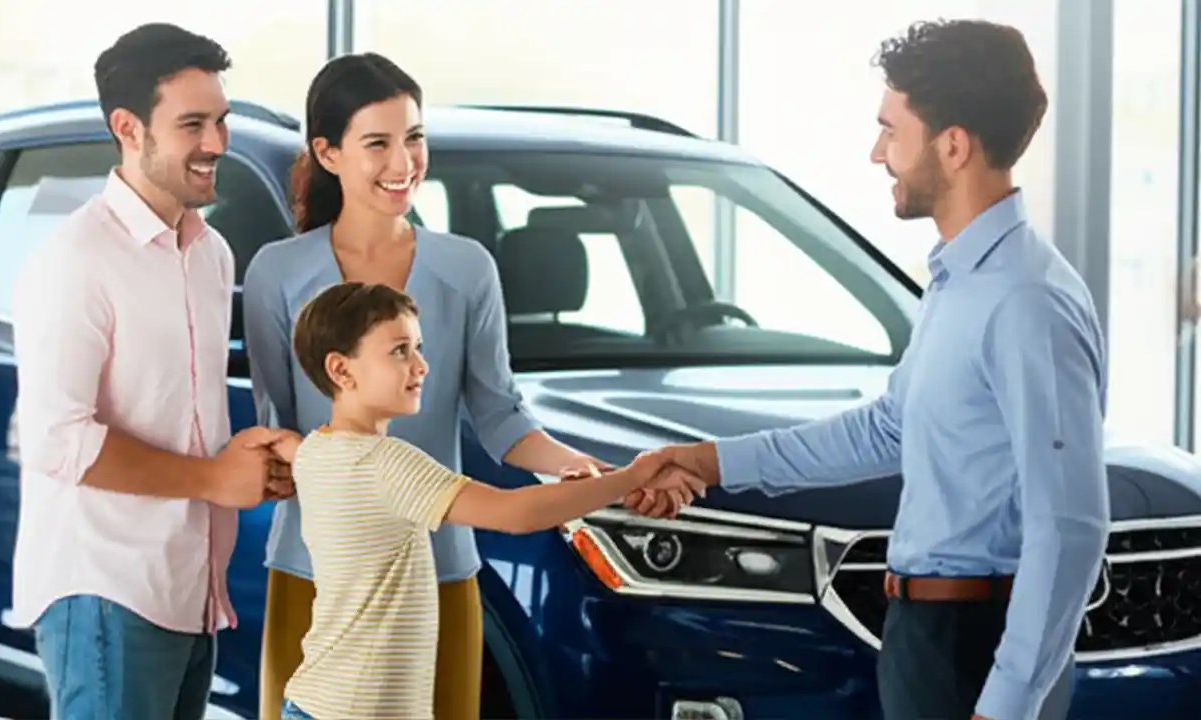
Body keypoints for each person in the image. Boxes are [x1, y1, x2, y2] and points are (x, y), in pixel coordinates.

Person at [637, 19, 1109, 720]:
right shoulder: (961, 283)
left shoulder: (1024, 301)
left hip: (976, 650)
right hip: (927, 637)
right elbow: (887, 431)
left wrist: (1007, 703)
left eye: (892, 130)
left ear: (952, 146)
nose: (876, 152)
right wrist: (712, 462)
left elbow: (1070, 522)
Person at [242, 52, 702, 720]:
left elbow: (500, 417)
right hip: (315, 572)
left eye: (414, 138)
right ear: (328, 152)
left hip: (439, 571)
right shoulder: (276, 275)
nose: (403, 163)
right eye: (378, 143)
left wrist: (576, 467)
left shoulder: (466, 269)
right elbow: (277, 426)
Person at [9, 23, 295, 720]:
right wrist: (214, 479)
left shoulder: (210, 252)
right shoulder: (76, 260)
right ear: (128, 127)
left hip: (188, 585)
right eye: (193, 124)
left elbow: (182, 414)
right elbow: (59, 439)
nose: (216, 144)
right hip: (106, 590)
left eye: (221, 121)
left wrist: (253, 466)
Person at [264, 281, 692, 719]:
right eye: (399, 351)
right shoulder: (385, 463)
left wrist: (276, 442)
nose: (422, 365)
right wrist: (631, 476)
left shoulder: (319, 449)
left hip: (318, 703)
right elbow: (515, 514)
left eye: (419, 347)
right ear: (341, 370)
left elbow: (295, 452)